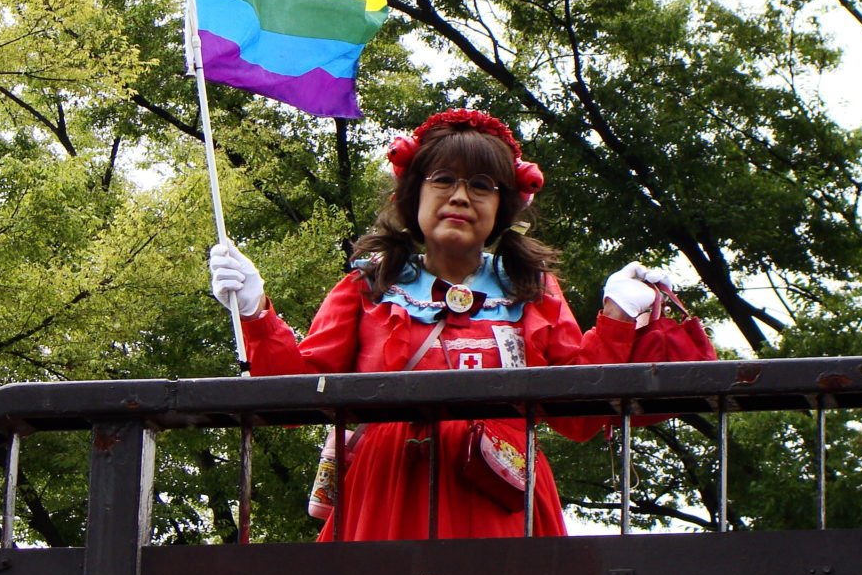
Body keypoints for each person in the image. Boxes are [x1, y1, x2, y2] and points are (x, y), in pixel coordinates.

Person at [208, 108, 672, 540]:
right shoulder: (369, 286)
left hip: (501, 497)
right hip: (390, 491)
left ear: (502, 207)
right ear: (414, 195)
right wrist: (255, 311)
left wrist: (617, 317)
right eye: (443, 179)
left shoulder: (533, 290)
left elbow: (581, 417)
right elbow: (298, 396)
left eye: (482, 185)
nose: (460, 197)